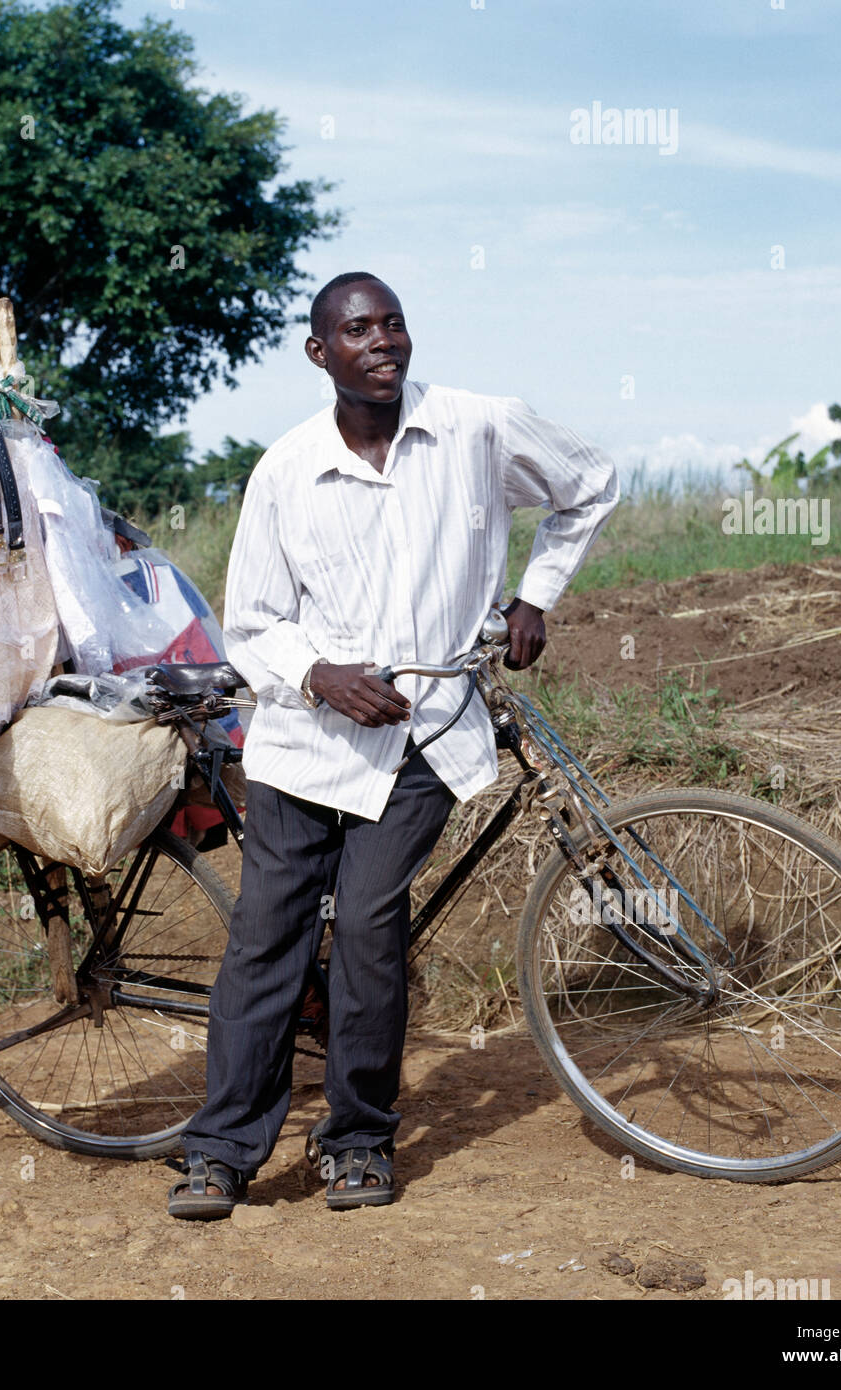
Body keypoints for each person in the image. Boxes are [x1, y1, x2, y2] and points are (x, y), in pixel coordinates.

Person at [168, 272, 619, 1219]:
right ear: (319, 352)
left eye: (395, 324)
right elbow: (251, 620)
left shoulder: (476, 428)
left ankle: (359, 1139)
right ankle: (221, 1149)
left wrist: (536, 592)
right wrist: (320, 673)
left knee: (371, 922)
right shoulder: (286, 470)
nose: (383, 341)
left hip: (430, 731)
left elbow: (590, 481)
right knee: (267, 935)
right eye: (358, 329)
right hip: (303, 741)